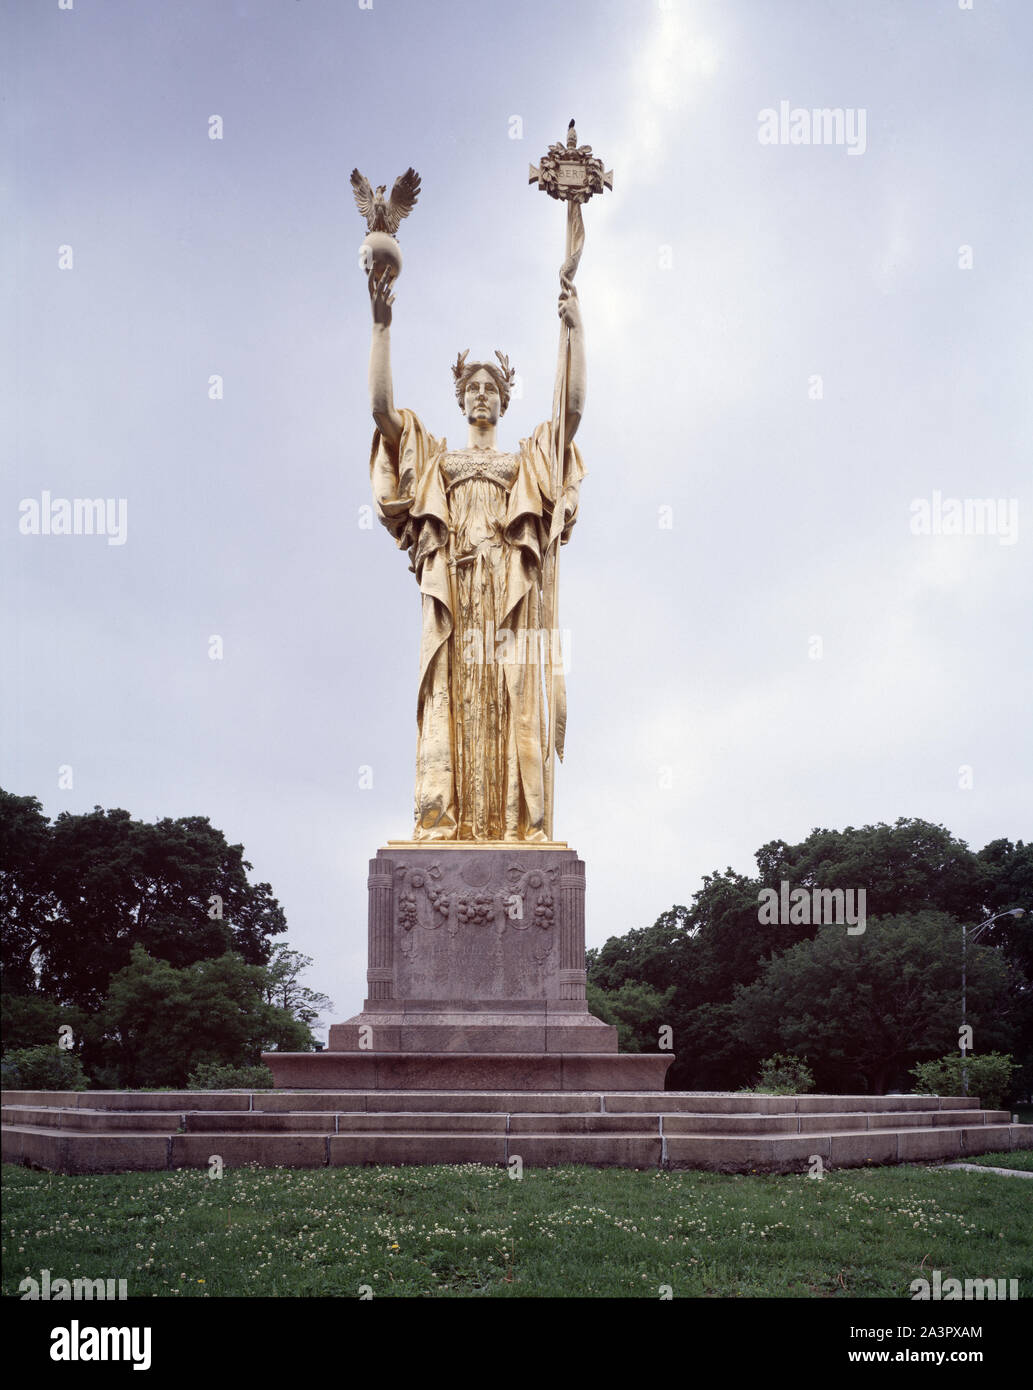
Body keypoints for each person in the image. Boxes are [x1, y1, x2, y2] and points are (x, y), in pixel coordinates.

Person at [366, 266, 586, 841]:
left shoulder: (522, 463)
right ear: (461, 399)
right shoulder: (439, 462)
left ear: (505, 400)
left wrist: (574, 330)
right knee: (455, 703)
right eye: (473, 388)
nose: (482, 394)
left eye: (492, 388)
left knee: (508, 702)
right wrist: (381, 326)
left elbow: (571, 415)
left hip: (508, 602)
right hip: (457, 600)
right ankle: (447, 819)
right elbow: (382, 412)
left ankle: (515, 825)